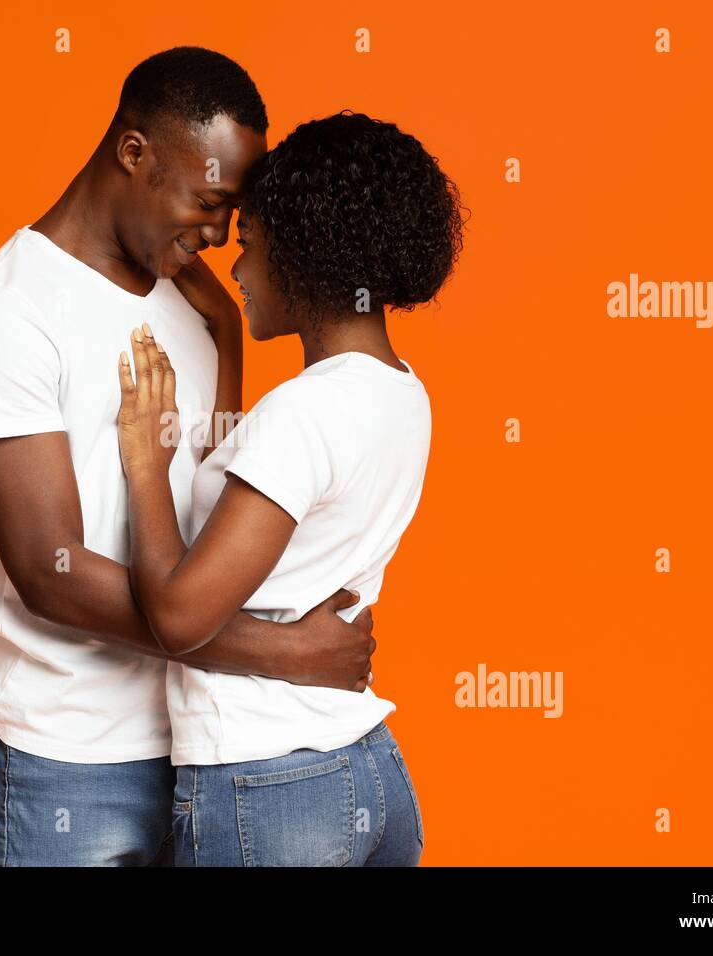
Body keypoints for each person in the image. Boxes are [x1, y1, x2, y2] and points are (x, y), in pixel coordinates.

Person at [0, 48, 378, 867]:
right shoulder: (8, 313)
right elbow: (50, 572)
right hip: (68, 767)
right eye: (209, 203)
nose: (218, 236)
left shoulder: (202, 308)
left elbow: (211, 510)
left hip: (209, 753)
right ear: (133, 154)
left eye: (232, 214)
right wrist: (286, 653)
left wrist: (230, 345)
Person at [115, 111, 464, 866]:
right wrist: (219, 327)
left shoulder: (304, 414)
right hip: (364, 768)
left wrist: (144, 461)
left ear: (306, 256)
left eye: (249, 247)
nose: (238, 269)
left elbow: (178, 617)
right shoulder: (402, 392)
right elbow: (258, 482)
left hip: (269, 787)